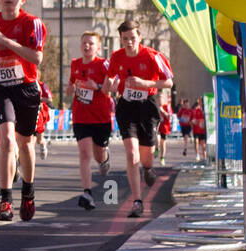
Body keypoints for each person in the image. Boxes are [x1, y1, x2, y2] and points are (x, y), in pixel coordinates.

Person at [0, 0, 47, 222]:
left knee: (25, 143)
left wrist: (6, 41)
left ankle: (28, 192)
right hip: (3, 87)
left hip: (27, 88)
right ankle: (5, 200)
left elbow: (37, 58)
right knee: (7, 139)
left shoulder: (32, 23)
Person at [104, 19, 173, 218]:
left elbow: (168, 82)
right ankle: (137, 201)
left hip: (147, 106)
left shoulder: (152, 56)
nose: (129, 42)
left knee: (146, 154)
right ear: (121, 39)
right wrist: (112, 86)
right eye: (125, 39)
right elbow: (108, 83)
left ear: (139, 37)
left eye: (132, 38)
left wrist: (144, 83)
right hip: (126, 107)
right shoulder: (116, 57)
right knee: (132, 154)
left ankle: (149, 167)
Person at [69, 30, 114, 211]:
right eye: (84, 43)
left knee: (98, 154)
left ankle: (104, 160)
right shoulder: (75, 64)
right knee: (85, 153)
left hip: (100, 117)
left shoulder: (104, 64)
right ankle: (87, 192)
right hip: (80, 115)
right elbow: (72, 82)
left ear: (98, 47)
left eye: (91, 43)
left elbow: (110, 90)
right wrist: (70, 88)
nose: (87, 46)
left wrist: (97, 87)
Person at [192, 96, 208, 162]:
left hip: (203, 131)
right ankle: (197, 155)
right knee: (196, 141)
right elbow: (193, 119)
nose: (202, 103)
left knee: (203, 145)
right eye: (201, 101)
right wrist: (194, 121)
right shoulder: (197, 110)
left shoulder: (207, 110)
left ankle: (205, 157)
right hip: (196, 130)